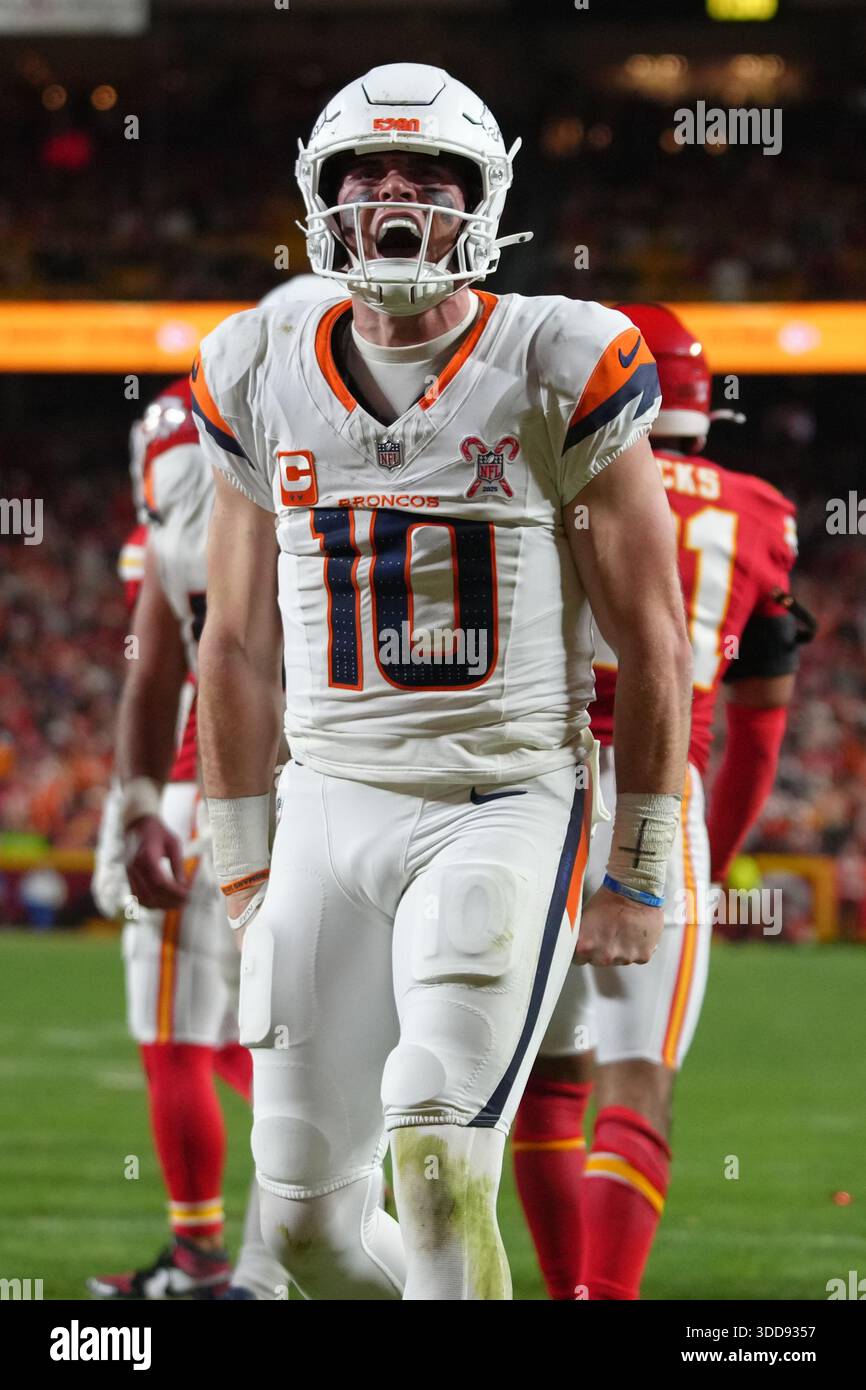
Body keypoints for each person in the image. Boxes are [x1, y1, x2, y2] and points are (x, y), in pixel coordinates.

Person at [187, 64, 691, 1300]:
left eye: (430, 180)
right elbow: (235, 638)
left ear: (483, 204)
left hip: (500, 798)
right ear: (323, 201)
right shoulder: (258, 361)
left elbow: (655, 634)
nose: (397, 201)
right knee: (302, 1218)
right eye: (369, 177)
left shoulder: (555, 357)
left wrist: (639, 861)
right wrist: (242, 847)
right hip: (325, 801)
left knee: (433, 1134)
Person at [515, 302, 808, 1301]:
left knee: (543, 1083)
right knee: (633, 1080)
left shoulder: (538, 472)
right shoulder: (760, 513)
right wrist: (707, 860)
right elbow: (759, 726)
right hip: (653, 787)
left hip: (526, 782)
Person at [88, 379, 286, 1300]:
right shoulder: (318, 513)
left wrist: (130, 813)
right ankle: (332, 1206)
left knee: (176, 1039)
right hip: (316, 796)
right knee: (277, 1040)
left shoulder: (167, 542)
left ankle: (203, 1255)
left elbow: (153, 679)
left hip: (196, 794)